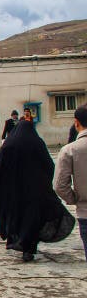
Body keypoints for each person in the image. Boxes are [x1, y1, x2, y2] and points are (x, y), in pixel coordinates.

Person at [0, 121, 63, 262]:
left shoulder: (8, 146)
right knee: (32, 218)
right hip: (35, 191)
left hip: (12, 192)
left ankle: (18, 241)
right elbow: (49, 166)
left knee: (16, 217)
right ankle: (29, 247)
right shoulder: (37, 144)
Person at [54, 105, 87, 261]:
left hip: (85, 210)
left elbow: (60, 185)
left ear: (76, 123)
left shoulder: (70, 150)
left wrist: (75, 198)